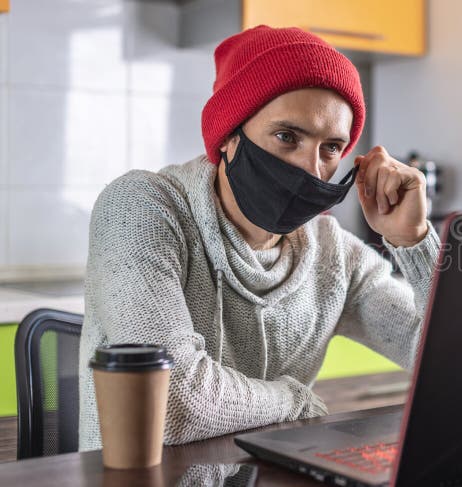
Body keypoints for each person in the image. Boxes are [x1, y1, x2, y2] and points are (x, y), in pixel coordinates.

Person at [78, 25, 440, 450]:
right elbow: (171, 402)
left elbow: (457, 364)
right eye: (288, 137)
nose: (311, 169)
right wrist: (294, 402)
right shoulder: (140, 207)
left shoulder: (332, 253)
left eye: (330, 148)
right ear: (230, 136)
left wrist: (414, 241)